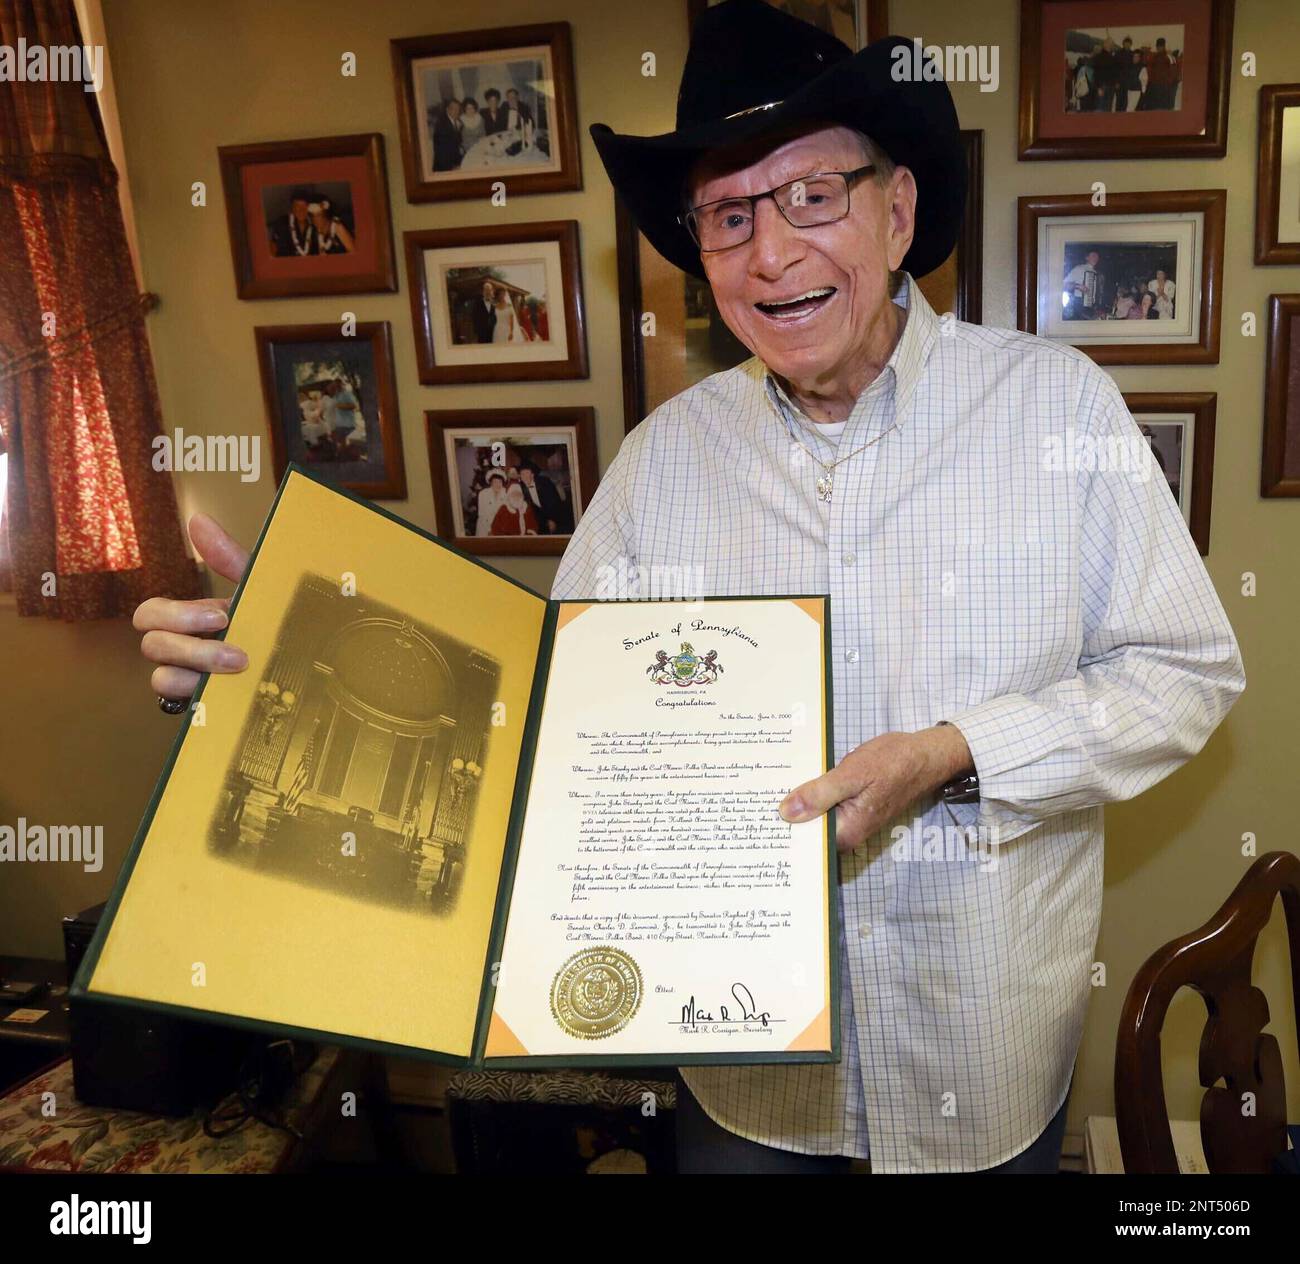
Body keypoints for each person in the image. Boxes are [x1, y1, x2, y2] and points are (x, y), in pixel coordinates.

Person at [135, 0, 1244, 1176]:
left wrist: (953, 751)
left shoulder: (1056, 407)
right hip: (745, 1073)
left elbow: (1181, 670)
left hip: (981, 1056)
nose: (770, 252)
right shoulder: (664, 459)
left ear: (898, 208)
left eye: (812, 195)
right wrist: (302, 638)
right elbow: (533, 716)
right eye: (725, 215)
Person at [519, 460, 568, 534]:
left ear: (532, 475)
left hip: (555, 515)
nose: (524, 476)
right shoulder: (520, 488)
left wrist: (552, 519)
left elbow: (555, 502)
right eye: (522, 474)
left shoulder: (545, 483)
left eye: (526, 473)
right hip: (539, 520)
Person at [1063, 249, 1103, 319]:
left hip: (1092, 307)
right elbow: (1064, 284)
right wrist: (1078, 286)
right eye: (1093, 256)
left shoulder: (1097, 273)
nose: (1096, 258)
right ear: (1086, 258)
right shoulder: (1079, 269)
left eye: (1097, 257)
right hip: (1080, 305)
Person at [431, 98, 464, 172]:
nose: (456, 112)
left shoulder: (456, 121)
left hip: (454, 158)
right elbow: (441, 152)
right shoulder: (442, 125)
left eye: (458, 109)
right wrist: (452, 167)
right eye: (454, 109)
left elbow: (457, 142)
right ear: (448, 110)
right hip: (444, 166)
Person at [474, 468, 509, 537]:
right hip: (484, 527)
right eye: (495, 482)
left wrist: (497, 530)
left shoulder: (506, 493)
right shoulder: (483, 494)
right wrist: (489, 530)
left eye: (500, 482)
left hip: (500, 528)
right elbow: (482, 515)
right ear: (491, 482)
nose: (498, 484)